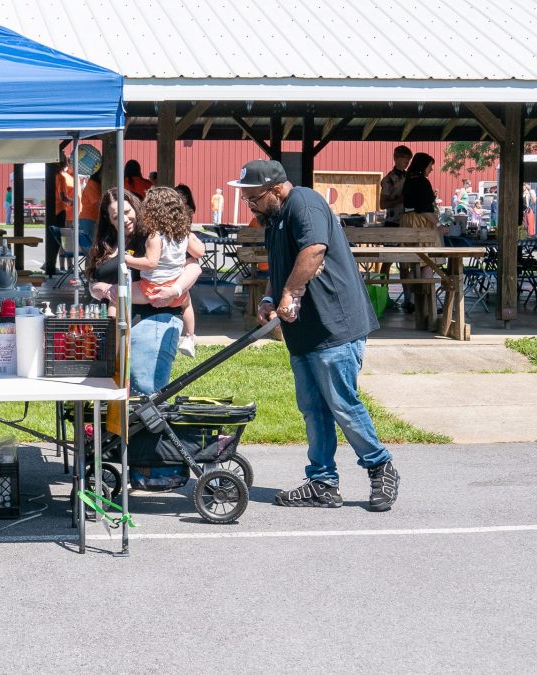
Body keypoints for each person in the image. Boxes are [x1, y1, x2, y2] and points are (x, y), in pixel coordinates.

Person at [232, 159, 399, 511]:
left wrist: (290, 295)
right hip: (304, 331)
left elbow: (313, 250)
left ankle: (380, 466)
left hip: (335, 325)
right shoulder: (274, 218)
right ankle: (322, 482)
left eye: (254, 198)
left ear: (276, 189)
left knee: (342, 404)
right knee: (313, 409)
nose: (251, 205)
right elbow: (281, 265)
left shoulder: (303, 203)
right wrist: (269, 296)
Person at [86, 188, 203, 490]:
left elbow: (194, 264)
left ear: (137, 207)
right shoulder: (107, 243)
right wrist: (99, 289)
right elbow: (93, 279)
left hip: (155, 319)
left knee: (147, 396)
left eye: (126, 211)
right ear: (107, 220)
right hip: (124, 325)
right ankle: (135, 463)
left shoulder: (154, 233)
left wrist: (174, 291)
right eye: (115, 216)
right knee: (130, 396)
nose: (123, 219)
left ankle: (155, 468)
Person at [125, 186, 201, 358]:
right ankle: (190, 337)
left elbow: (150, 263)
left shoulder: (154, 236)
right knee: (187, 304)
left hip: (152, 287)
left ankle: (122, 332)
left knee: (120, 294)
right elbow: (198, 253)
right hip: (176, 285)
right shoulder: (182, 235)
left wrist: (127, 259)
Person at [400, 152, 442, 314]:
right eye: (430, 165)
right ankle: (426, 301)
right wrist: (438, 225)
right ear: (423, 165)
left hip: (407, 223)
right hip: (420, 225)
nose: (431, 169)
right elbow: (424, 209)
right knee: (427, 260)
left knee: (413, 261)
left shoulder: (408, 181)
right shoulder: (422, 182)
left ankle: (410, 299)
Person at [44, 155, 76, 276]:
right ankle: (51, 267)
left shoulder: (51, 177)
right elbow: (62, 196)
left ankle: (50, 266)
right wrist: (72, 201)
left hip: (51, 211)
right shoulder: (61, 177)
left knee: (52, 239)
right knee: (58, 239)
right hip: (60, 211)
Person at [379, 145, 412, 227]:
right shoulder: (388, 180)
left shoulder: (409, 177)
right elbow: (382, 205)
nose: (407, 161)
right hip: (393, 222)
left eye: (409, 158)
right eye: (404, 158)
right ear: (396, 158)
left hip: (409, 221)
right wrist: (400, 200)